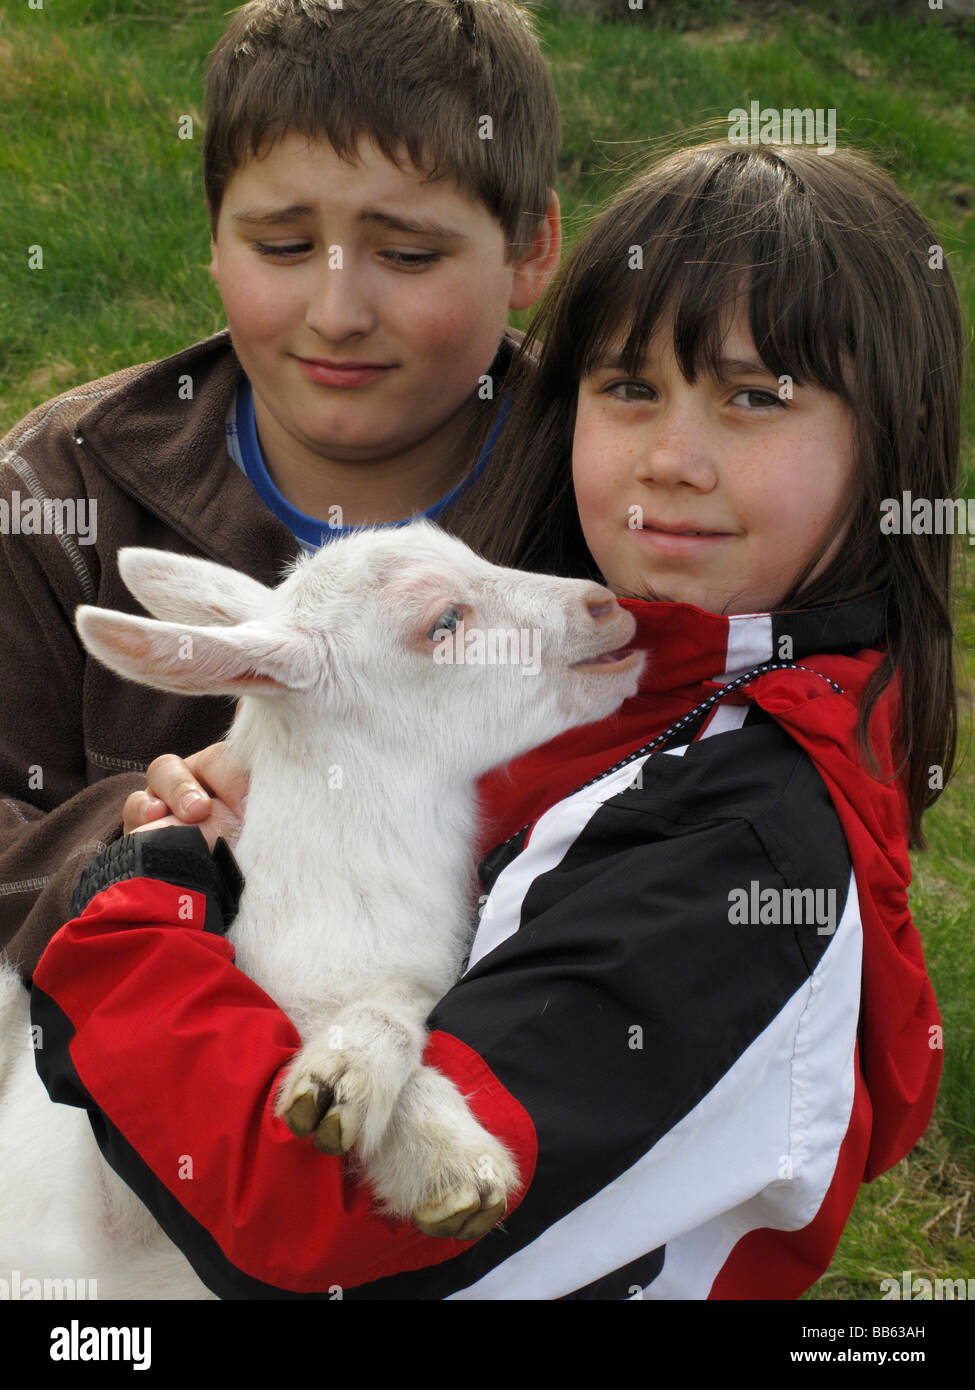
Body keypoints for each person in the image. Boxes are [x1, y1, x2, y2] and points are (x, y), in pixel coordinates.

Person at [32, 139, 963, 1299]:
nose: (672, 459)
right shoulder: (619, 701)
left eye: (756, 397)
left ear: (892, 443)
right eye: (628, 388)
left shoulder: (740, 855)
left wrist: (134, 919)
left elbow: (318, 1232)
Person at [0, 0, 561, 980]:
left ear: (530, 248)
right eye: (283, 246)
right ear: (214, 239)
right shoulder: (58, 492)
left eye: (409, 254)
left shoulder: (608, 498)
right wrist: (133, 842)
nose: (338, 312)